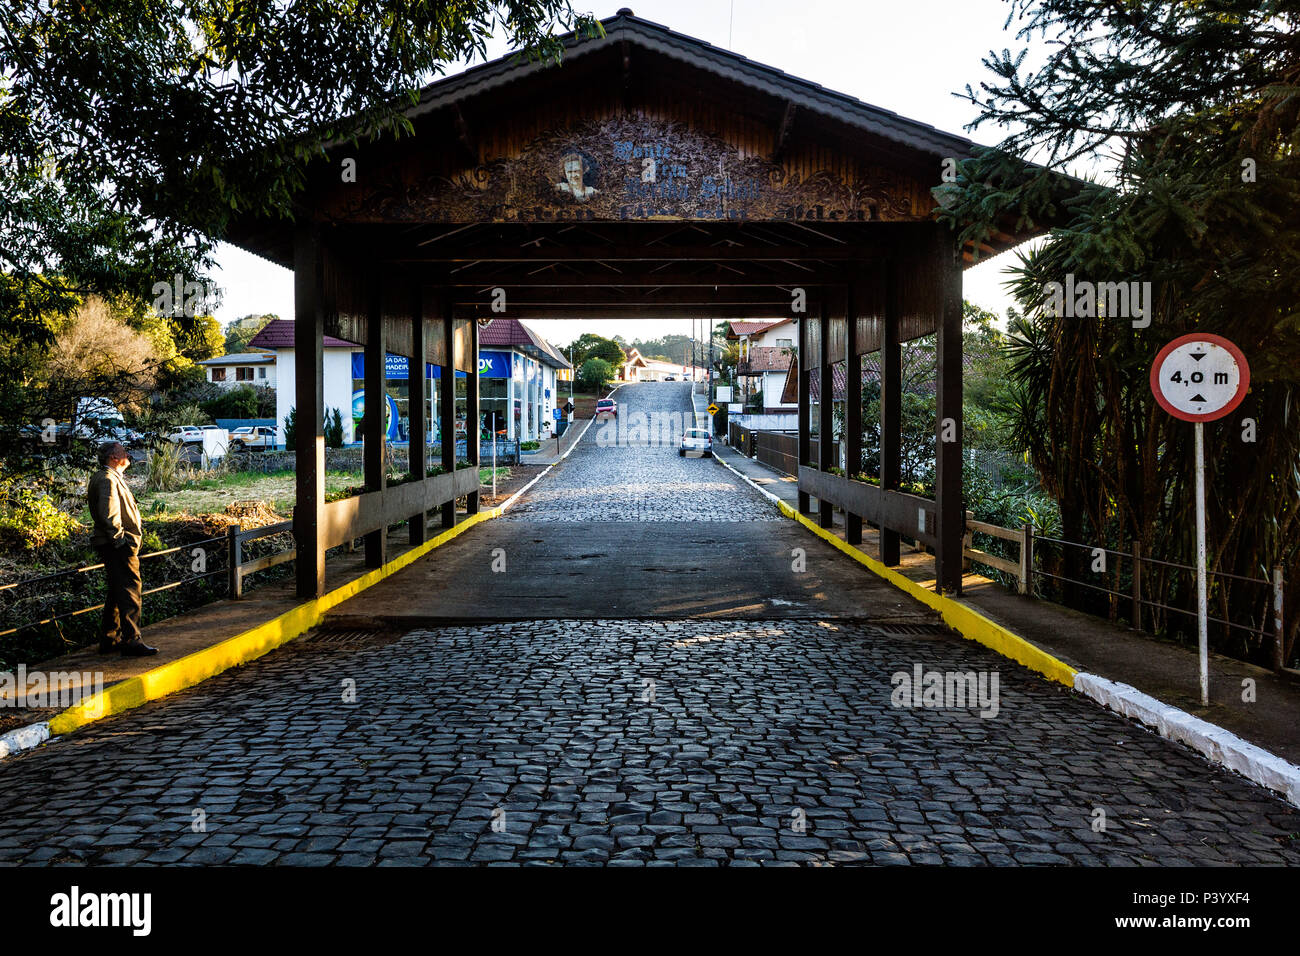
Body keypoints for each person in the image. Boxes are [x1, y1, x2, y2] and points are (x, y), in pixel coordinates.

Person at [87, 441, 156, 656]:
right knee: (130, 590)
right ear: (113, 458)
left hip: (113, 544)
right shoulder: (108, 479)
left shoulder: (105, 477)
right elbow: (110, 515)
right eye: (122, 452)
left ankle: (110, 638)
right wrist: (122, 543)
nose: (127, 454)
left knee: (117, 591)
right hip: (117, 545)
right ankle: (132, 640)